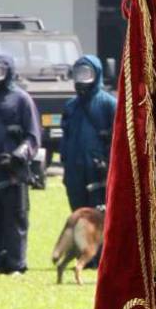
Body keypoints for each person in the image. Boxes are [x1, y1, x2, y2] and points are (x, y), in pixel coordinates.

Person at [0, 50, 42, 274]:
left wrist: (19, 154)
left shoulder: (22, 99)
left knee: (15, 218)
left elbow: (33, 136)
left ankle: (15, 263)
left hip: (14, 171)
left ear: (8, 72)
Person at [60, 55, 116, 210]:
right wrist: (66, 168)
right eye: (78, 74)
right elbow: (65, 139)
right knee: (78, 216)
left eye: (86, 73)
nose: (81, 79)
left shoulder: (109, 104)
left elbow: (119, 143)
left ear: (96, 74)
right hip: (74, 173)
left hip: (98, 172)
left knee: (99, 219)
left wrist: (110, 167)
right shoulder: (71, 106)